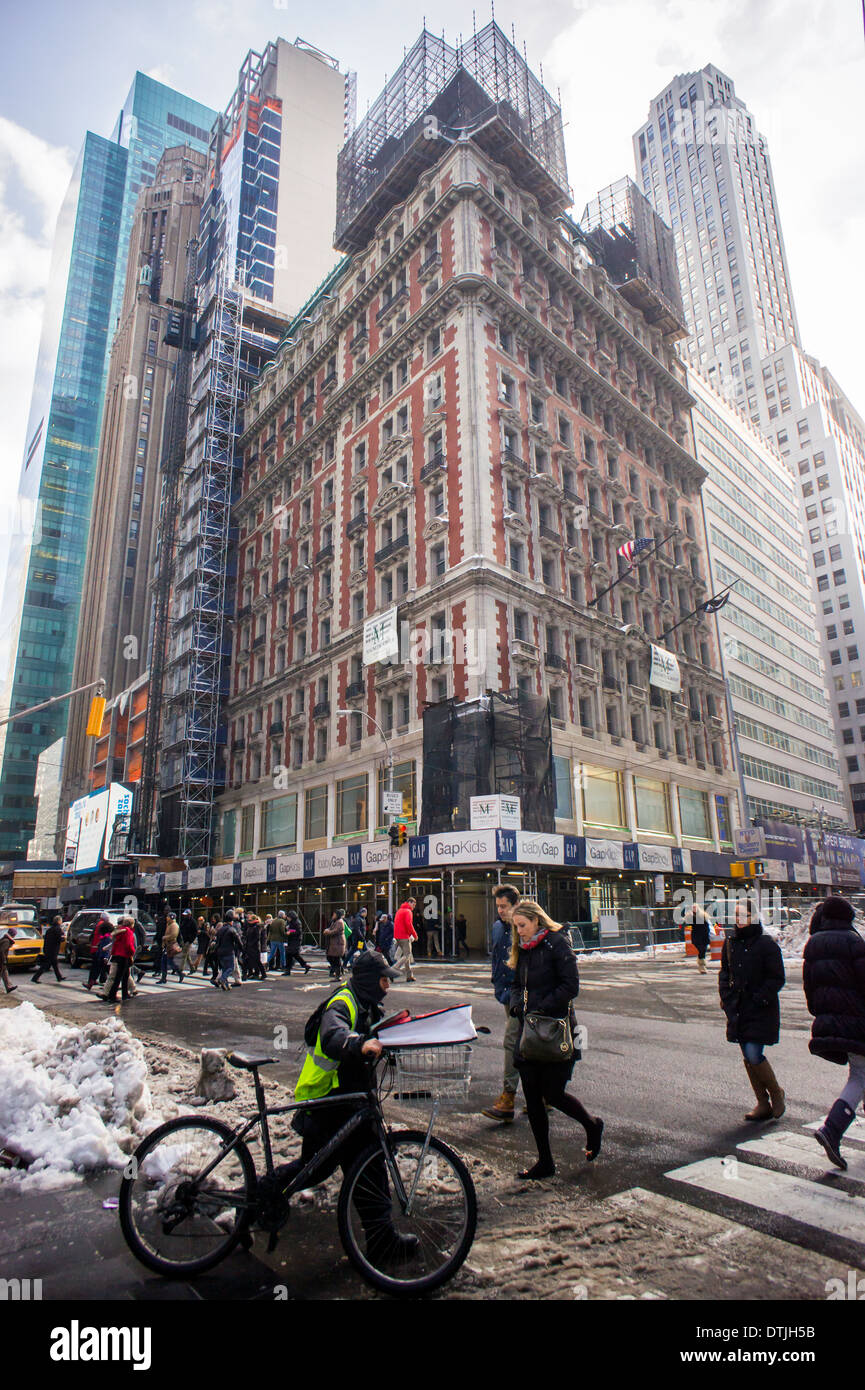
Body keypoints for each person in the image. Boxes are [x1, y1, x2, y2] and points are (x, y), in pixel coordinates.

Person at [285, 950, 418, 1265]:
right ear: (371, 980)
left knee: (367, 1168)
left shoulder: (365, 1002)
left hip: (350, 1100)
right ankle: (259, 1197)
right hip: (330, 1101)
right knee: (315, 1169)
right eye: (384, 979)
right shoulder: (343, 1002)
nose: (388, 986)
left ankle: (382, 1241)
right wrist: (358, 1044)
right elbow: (334, 1035)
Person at [509, 898, 602, 1180]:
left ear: (537, 920)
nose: (519, 931)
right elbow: (516, 984)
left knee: (553, 1093)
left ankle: (591, 1124)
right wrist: (517, 1005)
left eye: (522, 925)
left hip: (558, 1029)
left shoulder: (557, 944)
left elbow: (570, 985)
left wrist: (542, 1008)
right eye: (516, 927)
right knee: (533, 1097)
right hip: (529, 1033)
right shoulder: (523, 949)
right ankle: (545, 1161)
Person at [803, 895, 865, 1169]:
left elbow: (810, 988)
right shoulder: (854, 942)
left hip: (834, 1020)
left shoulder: (813, 943)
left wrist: (823, 1013)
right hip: (859, 1021)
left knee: (862, 1073)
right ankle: (832, 1129)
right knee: (860, 1076)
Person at [719, 897, 786, 1122]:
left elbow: (777, 978)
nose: (738, 920)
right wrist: (727, 1000)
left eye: (743, 915)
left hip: (760, 1008)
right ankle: (762, 1103)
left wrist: (760, 998)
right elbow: (724, 974)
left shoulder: (766, 944)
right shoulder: (730, 943)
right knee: (747, 1057)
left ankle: (776, 1093)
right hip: (738, 1009)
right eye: (736, 915)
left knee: (753, 1053)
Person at [482, 885, 521, 1122]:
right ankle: (543, 1095)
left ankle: (508, 1097)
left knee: (512, 1040)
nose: (500, 911)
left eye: (504, 906)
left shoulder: (525, 925)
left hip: (523, 994)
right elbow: (497, 957)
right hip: (506, 993)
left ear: (516, 904)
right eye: (497, 906)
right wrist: (496, 982)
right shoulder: (498, 928)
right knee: (525, 1045)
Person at [103, 916, 137, 1002]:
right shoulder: (128, 931)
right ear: (131, 924)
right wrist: (132, 952)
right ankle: (112, 996)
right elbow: (128, 945)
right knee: (119, 976)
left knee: (125, 975)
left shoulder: (120, 931)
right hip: (124, 956)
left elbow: (116, 944)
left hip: (118, 955)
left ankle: (125, 994)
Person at [31, 914, 66, 984]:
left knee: (54, 964)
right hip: (53, 950)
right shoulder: (58, 929)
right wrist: (63, 938)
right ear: (59, 921)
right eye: (61, 921)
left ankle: (59, 977)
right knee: (46, 965)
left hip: (48, 949)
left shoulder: (50, 929)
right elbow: (60, 939)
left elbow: (46, 939)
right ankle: (35, 978)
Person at [214, 916, 243, 991]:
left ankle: (226, 985)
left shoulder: (220, 930)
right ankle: (222, 979)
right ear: (231, 922)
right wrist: (243, 949)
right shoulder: (232, 929)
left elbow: (217, 941)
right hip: (229, 951)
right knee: (231, 967)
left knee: (224, 968)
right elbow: (238, 941)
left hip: (220, 951)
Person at [85, 915, 113, 991]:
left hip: (104, 958)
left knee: (108, 972)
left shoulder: (106, 938)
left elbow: (107, 949)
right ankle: (91, 984)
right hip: (102, 957)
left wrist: (105, 957)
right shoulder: (106, 937)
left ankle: (109, 986)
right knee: (100, 971)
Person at [394, 896, 418, 982]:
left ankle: (409, 975)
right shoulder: (408, 912)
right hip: (404, 936)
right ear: (410, 903)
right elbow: (409, 924)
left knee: (406, 955)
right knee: (407, 955)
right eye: (414, 905)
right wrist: (414, 935)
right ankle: (393, 969)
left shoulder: (399, 911)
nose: (414, 907)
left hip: (397, 936)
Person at [160, 912, 185, 984]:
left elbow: (173, 935)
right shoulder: (169, 924)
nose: (166, 918)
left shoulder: (174, 925)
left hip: (171, 945)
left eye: (168, 917)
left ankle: (180, 973)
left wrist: (164, 937)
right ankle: (163, 978)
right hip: (167, 945)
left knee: (170, 962)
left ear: (171, 917)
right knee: (164, 962)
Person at [688, 902, 712, 974]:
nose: (694, 909)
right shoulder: (690, 916)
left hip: (704, 935)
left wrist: (708, 932)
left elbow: (707, 924)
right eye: (693, 907)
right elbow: (689, 923)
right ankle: (702, 965)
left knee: (703, 950)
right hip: (696, 935)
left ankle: (701, 965)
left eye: (695, 907)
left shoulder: (703, 915)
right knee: (701, 949)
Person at [284, 911, 311, 975]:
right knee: (292, 955)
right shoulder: (291, 922)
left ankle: (304, 965)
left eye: (288, 917)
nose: (287, 918)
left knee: (292, 954)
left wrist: (290, 932)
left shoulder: (297, 922)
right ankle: (304, 965)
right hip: (291, 940)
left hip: (295, 941)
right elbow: (293, 930)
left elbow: (298, 931)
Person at [324, 912, 347, 978]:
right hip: (335, 944)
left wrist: (327, 932)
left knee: (336, 959)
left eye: (334, 915)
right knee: (331, 958)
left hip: (338, 944)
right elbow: (331, 929)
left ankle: (338, 974)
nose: (333, 916)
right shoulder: (335, 922)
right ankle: (336, 972)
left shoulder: (339, 922)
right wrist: (327, 930)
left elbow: (335, 931)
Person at [176, 910, 198, 975]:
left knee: (184, 955)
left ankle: (181, 969)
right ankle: (192, 968)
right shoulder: (184, 921)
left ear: (189, 914)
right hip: (184, 940)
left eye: (186, 914)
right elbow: (181, 929)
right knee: (187, 954)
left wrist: (191, 940)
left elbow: (195, 932)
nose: (185, 916)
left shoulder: (193, 922)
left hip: (188, 940)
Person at [0, 926, 18, 993]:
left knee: (5, 973)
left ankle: (8, 987)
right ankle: (8, 987)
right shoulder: (6, 941)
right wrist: (4, 960)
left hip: (2, 960)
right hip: (1, 961)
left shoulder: (5, 939)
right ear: (13, 934)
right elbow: (2, 951)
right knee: (3, 972)